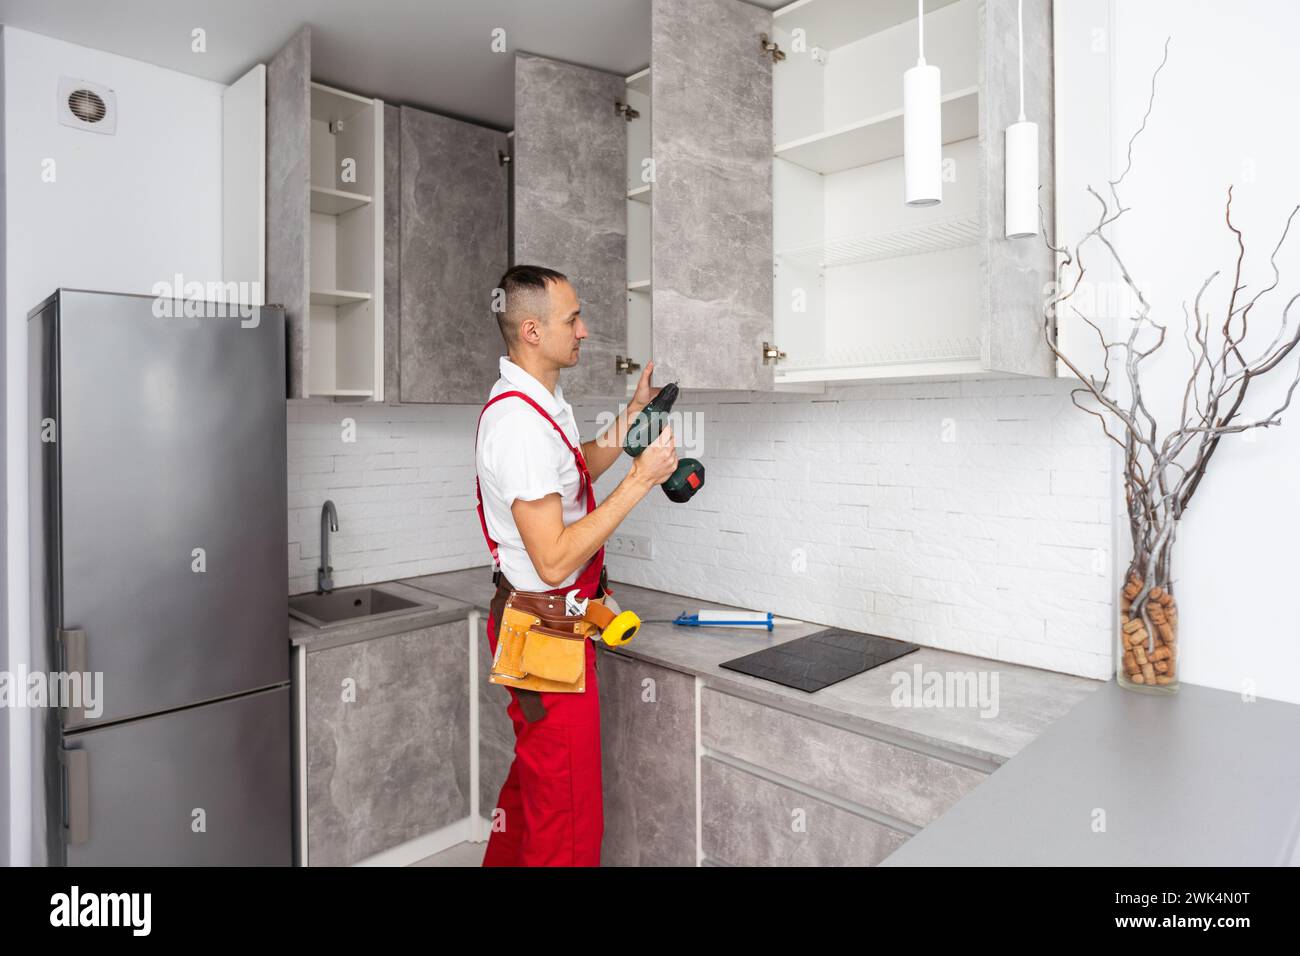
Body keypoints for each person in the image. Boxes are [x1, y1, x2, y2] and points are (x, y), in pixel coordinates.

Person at [474, 264, 678, 866]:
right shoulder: (517, 428)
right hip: (545, 635)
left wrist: (633, 415)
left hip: (549, 626)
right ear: (532, 330)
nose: (584, 330)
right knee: (566, 815)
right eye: (573, 319)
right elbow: (556, 558)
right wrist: (641, 479)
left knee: (536, 790)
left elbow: (575, 471)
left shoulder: (538, 403)